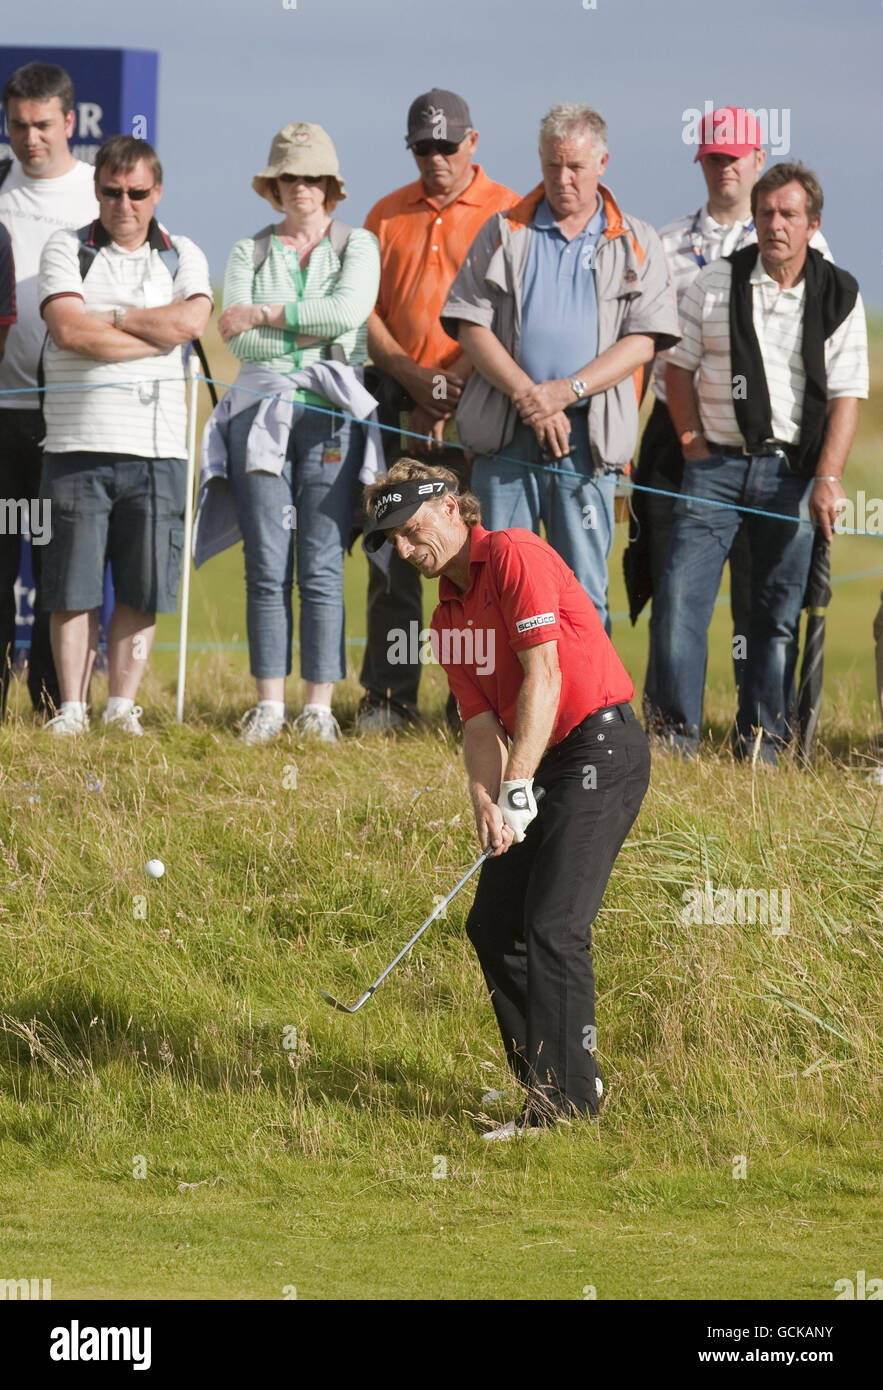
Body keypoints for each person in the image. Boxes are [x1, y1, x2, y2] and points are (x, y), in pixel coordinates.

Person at [362, 459, 650, 1138]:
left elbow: (542, 675)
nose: (403, 551)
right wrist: (487, 802)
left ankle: (563, 1108)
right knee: (492, 923)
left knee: (554, 926)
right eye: (392, 543)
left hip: (596, 752)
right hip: (537, 761)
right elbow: (478, 722)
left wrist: (519, 785)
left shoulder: (515, 553)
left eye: (406, 532)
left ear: (448, 507)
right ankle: (550, 1076)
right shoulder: (446, 613)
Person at [650, 163, 868, 764]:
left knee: (771, 616)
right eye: (766, 212)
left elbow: (848, 393)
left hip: (792, 475)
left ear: (812, 224)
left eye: (788, 214)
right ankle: (672, 740)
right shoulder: (714, 284)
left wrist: (828, 476)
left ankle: (763, 745)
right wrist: (692, 440)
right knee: (678, 603)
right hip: (713, 468)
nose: (775, 224)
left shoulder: (840, 294)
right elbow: (678, 368)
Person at [441, 103, 679, 632]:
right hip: (505, 439)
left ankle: (591, 714)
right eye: (552, 166)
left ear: (602, 163)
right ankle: (499, 712)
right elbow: (468, 325)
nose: (563, 179)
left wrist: (564, 393)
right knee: (495, 582)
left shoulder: (636, 240)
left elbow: (644, 341)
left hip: (588, 443)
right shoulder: (503, 231)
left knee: (581, 589)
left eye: (575, 167)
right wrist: (531, 395)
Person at [628, 107, 831, 715]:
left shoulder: (804, 238)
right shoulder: (664, 243)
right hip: (681, 432)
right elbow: (649, 349)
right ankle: (669, 727)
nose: (725, 170)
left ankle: (758, 731)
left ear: (757, 160)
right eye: (714, 159)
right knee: (675, 586)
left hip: (774, 440)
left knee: (761, 593)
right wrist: (682, 438)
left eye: (735, 158)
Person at [37, 134, 212, 736]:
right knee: (72, 585)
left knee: (143, 588)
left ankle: (121, 707)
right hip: (74, 444)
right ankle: (73, 709)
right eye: (112, 191)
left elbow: (191, 322)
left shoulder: (182, 252)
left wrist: (107, 316)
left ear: (156, 192)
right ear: (97, 190)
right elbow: (67, 332)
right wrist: (150, 335)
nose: (125, 204)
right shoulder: (65, 248)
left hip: (160, 448)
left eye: (138, 192)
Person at [214, 122, 380, 744]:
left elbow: (349, 314)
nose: (300, 188)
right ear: (274, 185)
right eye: (289, 176)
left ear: (330, 186)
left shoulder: (357, 245)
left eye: (312, 177)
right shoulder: (247, 251)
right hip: (258, 418)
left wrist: (267, 313)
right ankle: (268, 705)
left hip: (332, 420)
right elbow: (236, 336)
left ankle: (318, 708)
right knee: (266, 566)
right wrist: (301, 336)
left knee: (320, 567)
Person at [357, 88, 518, 731]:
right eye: (423, 147)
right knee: (394, 552)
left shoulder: (508, 210)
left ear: (472, 142)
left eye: (447, 145)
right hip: (396, 401)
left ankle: (469, 705)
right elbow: (360, 308)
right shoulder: (385, 214)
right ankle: (388, 700)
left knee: (467, 563)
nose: (436, 158)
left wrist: (447, 385)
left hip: (475, 404)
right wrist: (410, 375)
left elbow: (505, 314)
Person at [0, 61, 98, 718]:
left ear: (69, 121)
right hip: (3, 411)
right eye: (16, 126)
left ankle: (57, 705)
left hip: (77, 414)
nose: (30, 139)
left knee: (66, 569)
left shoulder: (105, 194)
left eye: (42, 126)